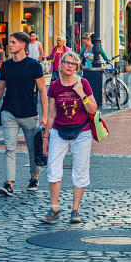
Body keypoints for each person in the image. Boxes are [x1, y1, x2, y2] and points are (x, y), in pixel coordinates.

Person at [0, 31, 48, 196]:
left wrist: (45, 115)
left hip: (29, 114)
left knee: (33, 149)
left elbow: (42, 91)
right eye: (10, 42)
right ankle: (9, 184)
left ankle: (34, 177)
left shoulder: (34, 65)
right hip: (9, 112)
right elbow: (0, 88)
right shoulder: (6, 65)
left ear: (22, 45)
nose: (10, 45)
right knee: (9, 148)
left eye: (13, 42)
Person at [40, 50, 98, 225]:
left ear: (77, 67)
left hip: (82, 132)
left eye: (73, 64)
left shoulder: (84, 83)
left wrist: (81, 94)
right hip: (59, 131)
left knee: (80, 170)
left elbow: (93, 110)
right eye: (67, 62)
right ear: (61, 64)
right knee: (52, 169)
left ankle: (75, 210)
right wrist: (46, 136)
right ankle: (54, 208)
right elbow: (51, 114)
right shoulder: (55, 86)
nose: (70, 66)